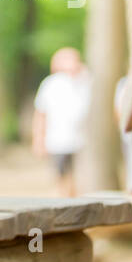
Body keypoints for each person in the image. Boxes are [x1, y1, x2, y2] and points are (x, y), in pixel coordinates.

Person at [32, 47, 92, 196]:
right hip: (58, 140)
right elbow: (41, 113)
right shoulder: (51, 84)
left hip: (82, 140)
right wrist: (39, 138)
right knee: (61, 175)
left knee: (79, 177)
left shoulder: (85, 81)